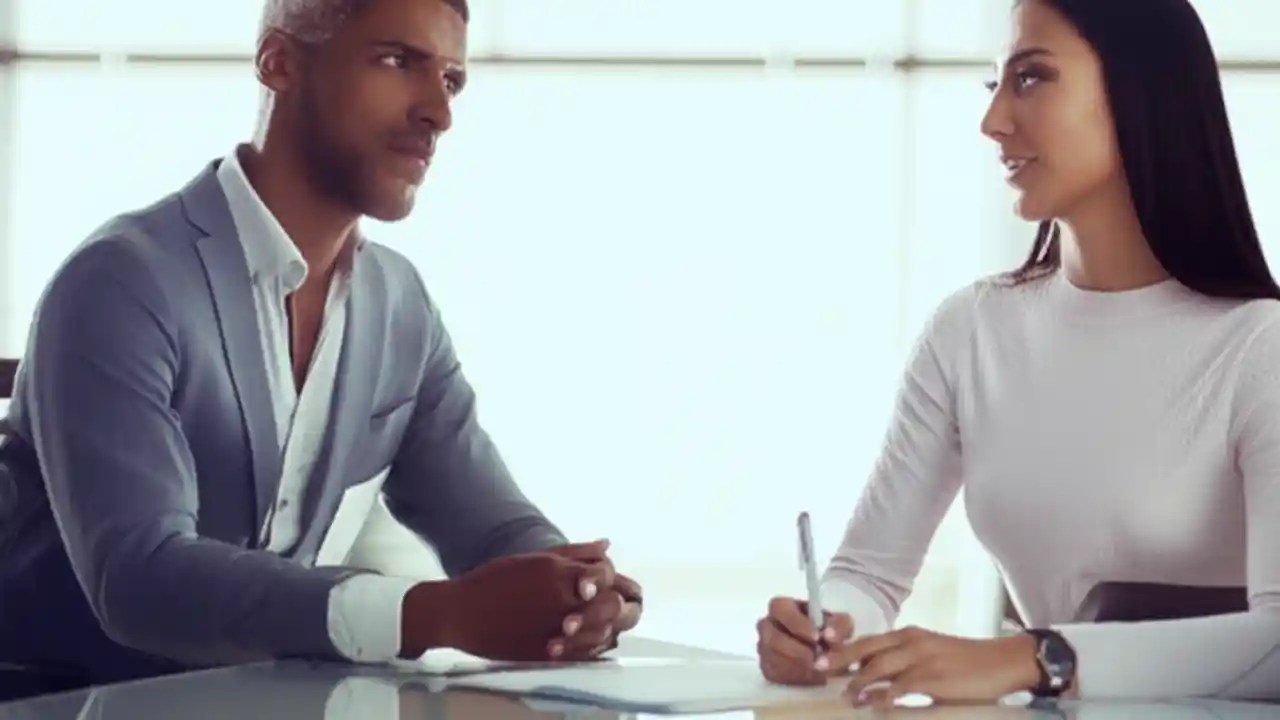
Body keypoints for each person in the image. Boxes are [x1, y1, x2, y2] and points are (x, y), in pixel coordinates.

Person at [0, 0, 641, 688]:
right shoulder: (124, 280)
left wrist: (577, 592)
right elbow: (141, 578)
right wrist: (429, 614)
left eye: (451, 80)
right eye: (398, 62)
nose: (438, 112)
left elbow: (490, 527)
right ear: (278, 63)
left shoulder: (398, 306)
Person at [756, 0, 1280, 707]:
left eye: (1031, 79)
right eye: (993, 85)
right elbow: (871, 576)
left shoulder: (1258, 348)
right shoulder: (971, 331)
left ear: (1140, 90)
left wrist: (1039, 657)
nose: (994, 120)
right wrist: (826, 625)